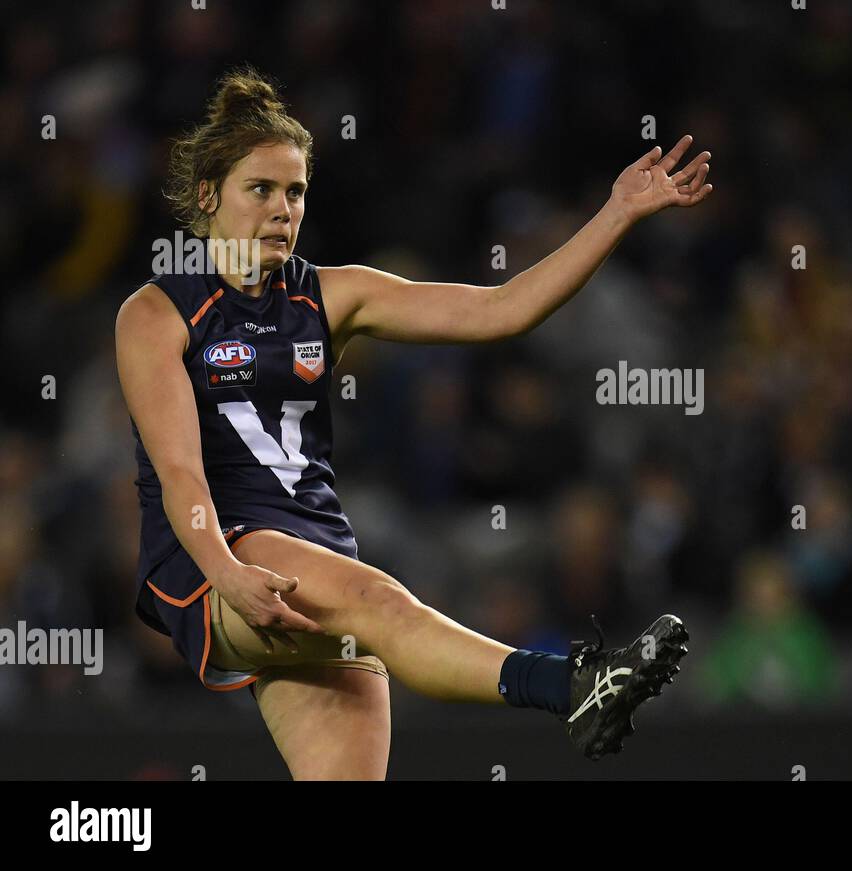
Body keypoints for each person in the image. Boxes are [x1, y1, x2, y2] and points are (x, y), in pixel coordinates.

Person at [114, 67, 712, 778]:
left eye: (296, 191)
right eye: (261, 189)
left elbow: (503, 309)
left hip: (321, 561)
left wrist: (617, 212)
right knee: (381, 597)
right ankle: (575, 685)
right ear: (208, 196)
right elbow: (179, 467)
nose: (282, 209)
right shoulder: (155, 313)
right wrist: (227, 571)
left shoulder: (333, 295)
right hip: (219, 561)